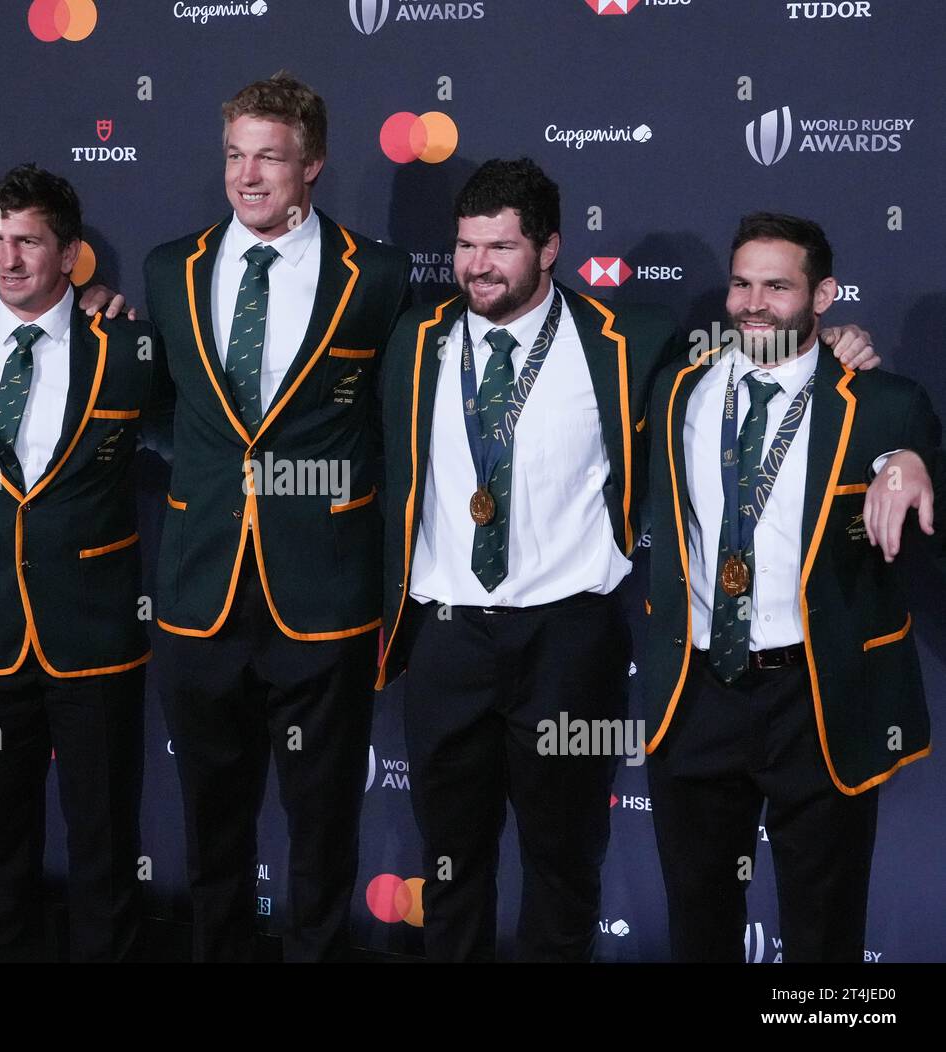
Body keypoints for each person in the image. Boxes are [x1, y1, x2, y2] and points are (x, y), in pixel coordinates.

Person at [376, 160, 876, 962]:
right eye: (467, 245)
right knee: (451, 861)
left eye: (501, 246)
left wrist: (839, 343)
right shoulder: (414, 338)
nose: (478, 265)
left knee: (566, 860)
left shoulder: (630, 342)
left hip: (572, 646)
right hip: (447, 642)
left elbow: (761, 361)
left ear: (549, 250)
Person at [142, 72, 412, 961]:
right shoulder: (168, 267)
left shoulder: (375, 275)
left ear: (314, 167)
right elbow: (155, 410)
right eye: (234, 155)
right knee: (211, 823)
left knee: (322, 825)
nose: (247, 176)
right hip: (200, 589)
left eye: (269, 157)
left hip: (322, 595)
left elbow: (396, 427)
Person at [642, 212, 942, 963]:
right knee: (699, 922)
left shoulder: (881, 404)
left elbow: (922, 465)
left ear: (824, 295)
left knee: (824, 929)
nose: (753, 302)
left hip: (818, 694)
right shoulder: (680, 388)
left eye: (778, 286)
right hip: (699, 691)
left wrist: (912, 460)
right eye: (742, 283)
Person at [0, 164, 154, 962]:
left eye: (28, 241)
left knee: (104, 844)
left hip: (93, 638)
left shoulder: (125, 349)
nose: (7, 259)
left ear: (71, 255)